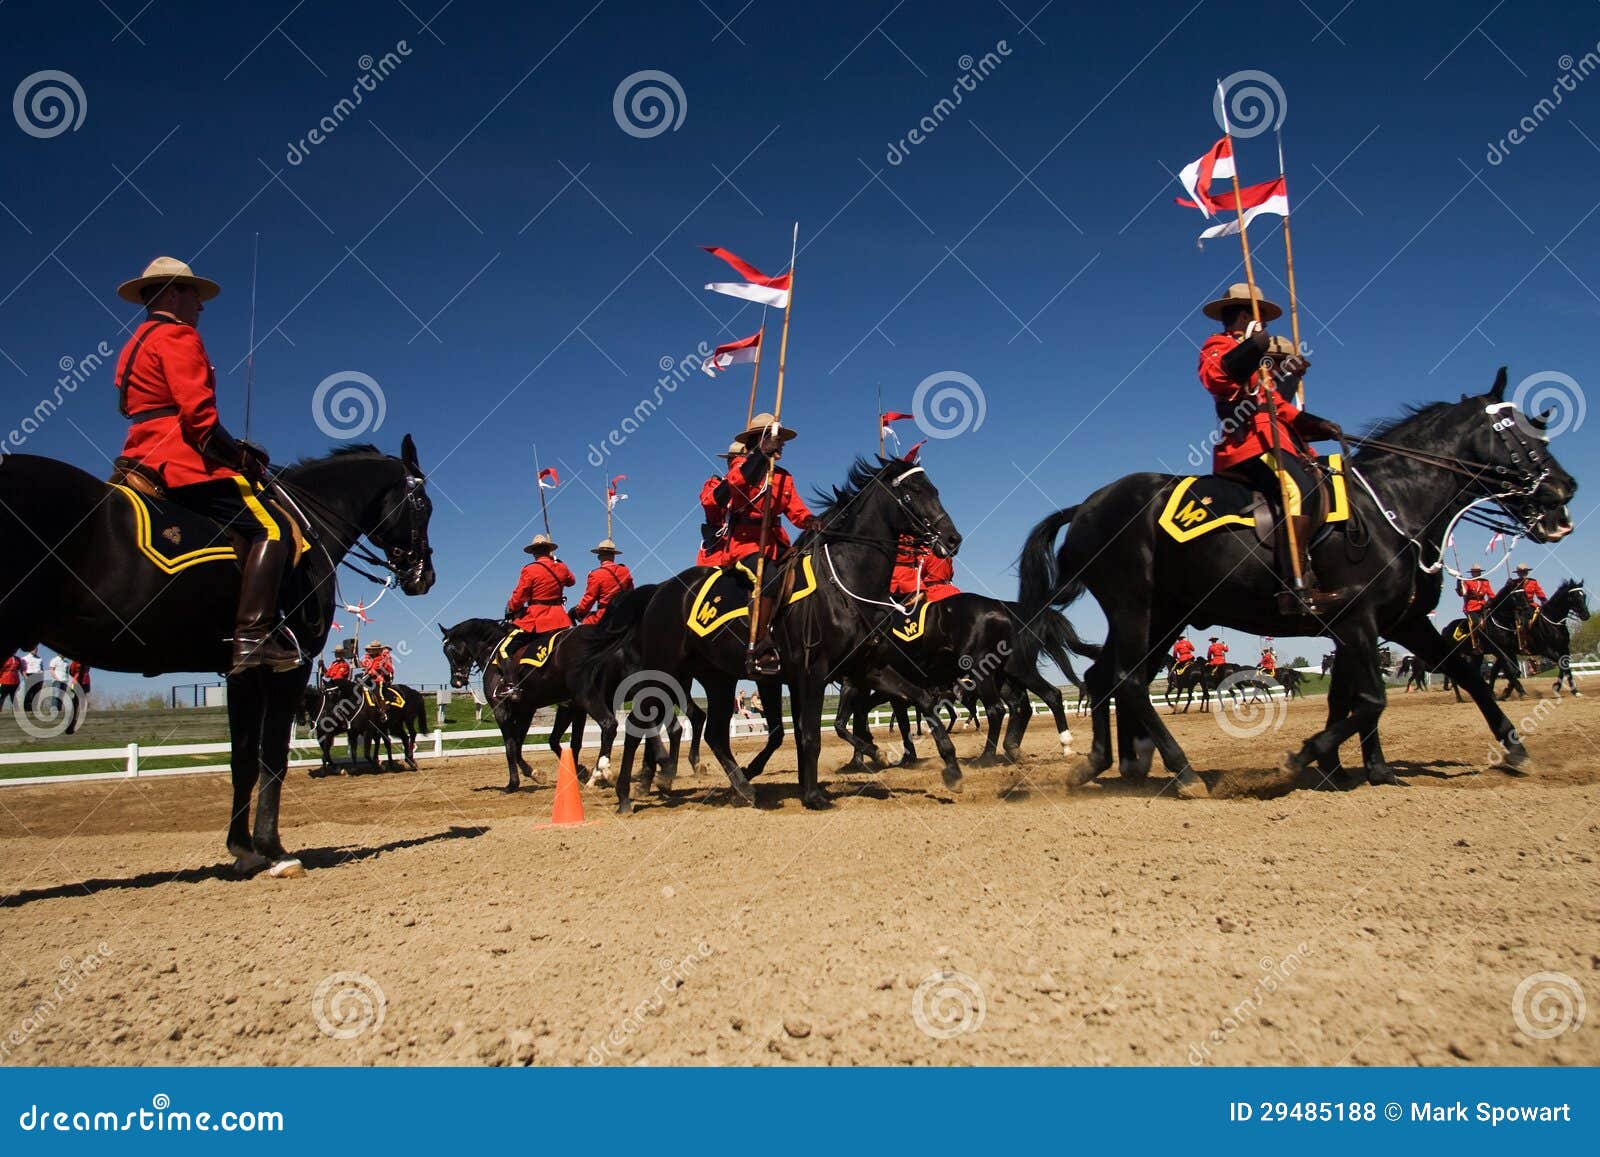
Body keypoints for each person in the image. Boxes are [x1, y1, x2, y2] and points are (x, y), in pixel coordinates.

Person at [112, 256, 298, 673]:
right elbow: (199, 419)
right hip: (177, 459)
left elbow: (130, 406)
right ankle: (253, 638)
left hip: (138, 453)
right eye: (195, 294)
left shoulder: (132, 345)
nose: (201, 305)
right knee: (273, 526)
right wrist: (238, 457)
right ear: (173, 292)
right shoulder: (177, 337)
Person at [1198, 283, 1345, 614]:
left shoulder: (1260, 363)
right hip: (1247, 445)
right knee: (1301, 491)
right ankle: (1293, 586)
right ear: (1246, 315)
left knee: (1324, 481)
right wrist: (1252, 347)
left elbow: (1280, 407)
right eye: (1260, 314)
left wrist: (1320, 425)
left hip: (1279, 442)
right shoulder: (1216, 346)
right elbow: (1217, 378)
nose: (1265, 322)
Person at [719, 413, 819, 675]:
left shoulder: (784, 476)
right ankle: (758, 644)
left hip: (776, 545)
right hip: (746, 545)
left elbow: (795, 510)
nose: (782, 444)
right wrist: (761, 456)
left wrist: (811, 521)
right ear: (761, 440)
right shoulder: (741, 466)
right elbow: (736, 485)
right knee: (771, 579)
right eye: (777, 439)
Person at [506, 535, 575, 633]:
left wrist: (512, 607)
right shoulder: (561, 567)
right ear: (549, 551)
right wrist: (558, 562)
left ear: (533, 553)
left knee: (507, 646)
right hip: (559, 619)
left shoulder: (529, 569)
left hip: (537, 618)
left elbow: (519, 596)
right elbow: (571, 582)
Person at [696, 441, 747, 567]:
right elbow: (708, 502)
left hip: (747, 549)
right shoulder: (714, 484)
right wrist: (736, 479)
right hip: (717, 555)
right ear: (730, 462)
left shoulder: (757, 489)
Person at [573, 539, 634, 625]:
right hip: (622, 613)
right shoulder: (624, 570)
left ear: (599, 556)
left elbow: (589, 598)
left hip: (604, 615)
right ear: (613, 556)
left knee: (583, 627)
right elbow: (631, 591)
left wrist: (579, 611)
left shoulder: (596, 574)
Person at [889, 534, 960, 604]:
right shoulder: (948, 557)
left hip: (933, 593)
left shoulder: (926, 553)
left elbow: (919, 571)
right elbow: (951, 574)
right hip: (951, 591)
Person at [1456, 563, 1493, 644]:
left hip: (1484, 607)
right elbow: (1462, 593)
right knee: (1476, 623)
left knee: (1492, 622)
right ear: (1472, 573)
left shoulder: (1485, 582)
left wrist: (1490, 604)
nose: (1476, 573)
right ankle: (1476, 643)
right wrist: (1459, 581)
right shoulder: (1467, 582)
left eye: (1478, 572)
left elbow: (1491, 595)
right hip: (1471, 607)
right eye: (1475, 572)